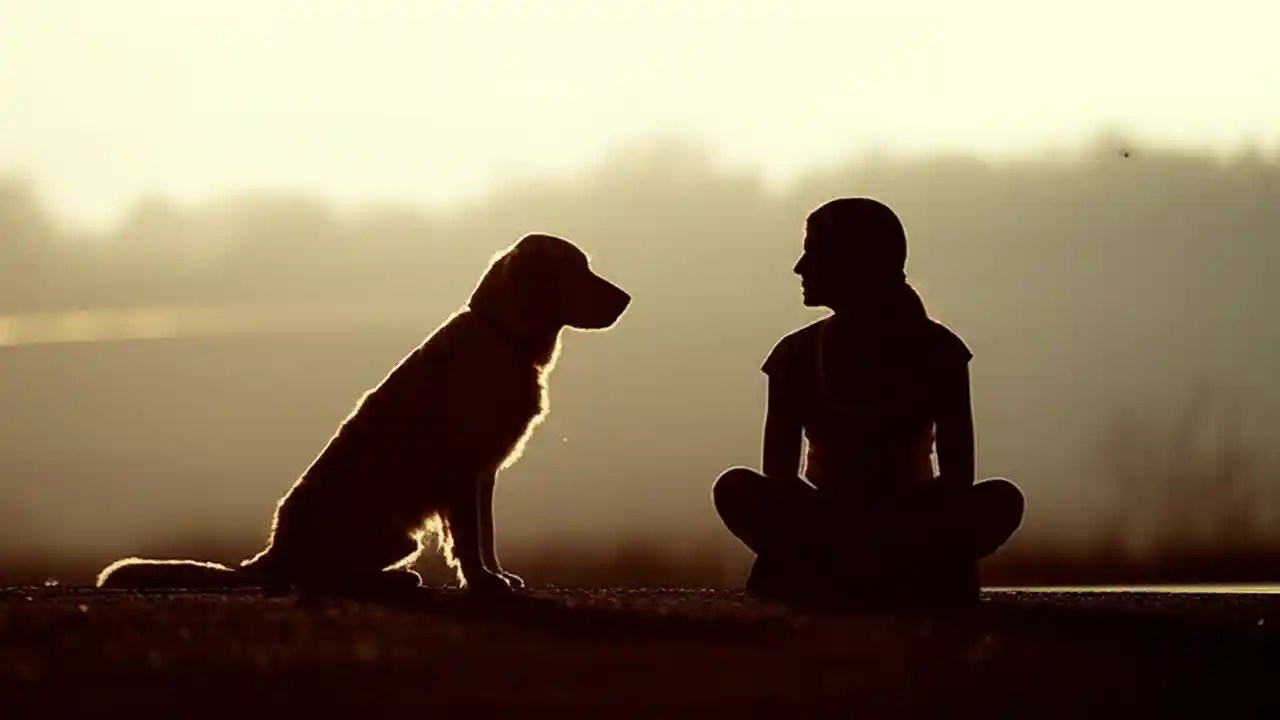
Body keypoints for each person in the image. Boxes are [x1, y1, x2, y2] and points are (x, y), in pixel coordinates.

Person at [712, 197, 1024, 608]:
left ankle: (845, 573)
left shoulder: (940, 352)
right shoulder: (795, 356)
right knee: (736, 488)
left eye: (813, 253)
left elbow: (956, 480)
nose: (800, 268)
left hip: (907, 522)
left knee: (1001, 499)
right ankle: (894, 574)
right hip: (831, 522)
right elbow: (779, 482)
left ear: (855, 262)